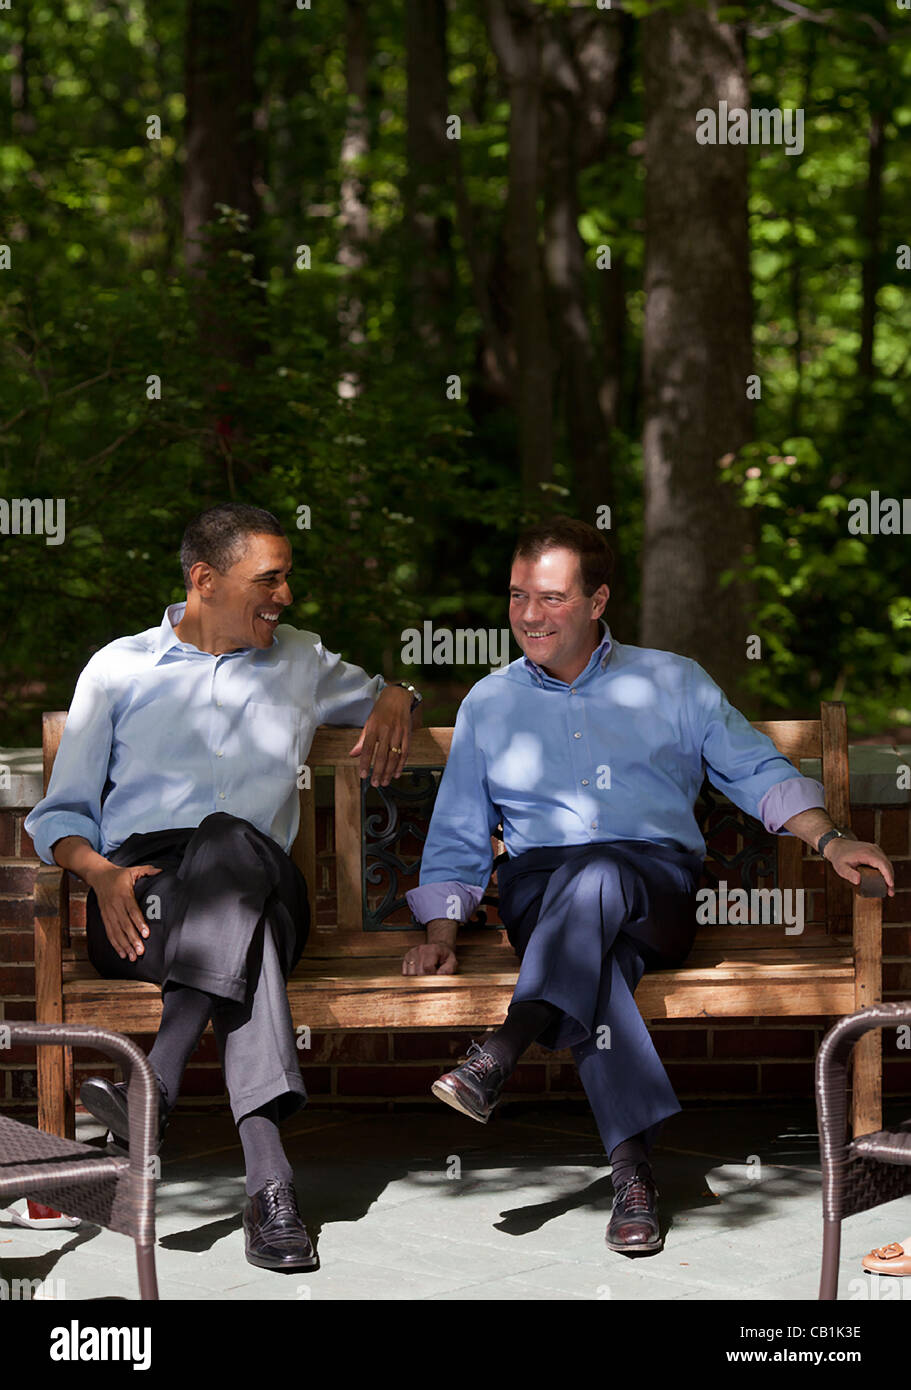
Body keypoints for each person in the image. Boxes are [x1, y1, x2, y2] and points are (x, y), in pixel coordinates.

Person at [403, 516, 894, 1256]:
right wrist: (442, 934)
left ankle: (504, 1047)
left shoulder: (672, 680)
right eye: (515, 597)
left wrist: (828, 838)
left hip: (653, 886)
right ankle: (632, 1176)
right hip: (540, 892)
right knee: (593, 952)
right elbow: (460, 829)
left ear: (598, 601)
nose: (528, 616)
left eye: (551, 598)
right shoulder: (489, 703)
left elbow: (754, 770)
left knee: (600, 874)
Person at [25, 503, 420, 1272]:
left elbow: (381, 695)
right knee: (251, 936)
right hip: (140, 893)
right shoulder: (118, 670)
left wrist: (399, 689)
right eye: (268, 580)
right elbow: (62, 813)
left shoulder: (301, 659)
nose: (286, 597)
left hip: (256, 870)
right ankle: (271, 1191)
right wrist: (100, 874)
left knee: (228, 837)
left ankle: (154, 1085)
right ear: (205, 580)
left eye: (288, 578)